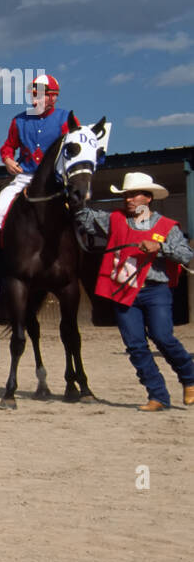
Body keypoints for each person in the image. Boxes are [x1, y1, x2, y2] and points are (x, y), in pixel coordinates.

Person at [74, 173, 194, 411]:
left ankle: (189, 377)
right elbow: (82, 217)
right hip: (124, 290)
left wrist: (160, 247)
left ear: (148, 198)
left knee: (163, 337)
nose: (128, 199)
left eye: (134, 194)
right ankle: (158, 395)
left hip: (155, 290)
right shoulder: (114, 220)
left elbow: (186, 255)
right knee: (136, 345)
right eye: (126, 195)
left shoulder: (167, 226)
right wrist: (76, 195)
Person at [0, 74, 74, 241]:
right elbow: (8, 146)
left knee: (79, 214)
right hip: (25, 177)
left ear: (53, 97)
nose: (34, 101)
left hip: (56, 178)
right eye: (33, 95)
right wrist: (8, 160)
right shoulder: (19, 120)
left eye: (39, 96)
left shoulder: (66, 119)